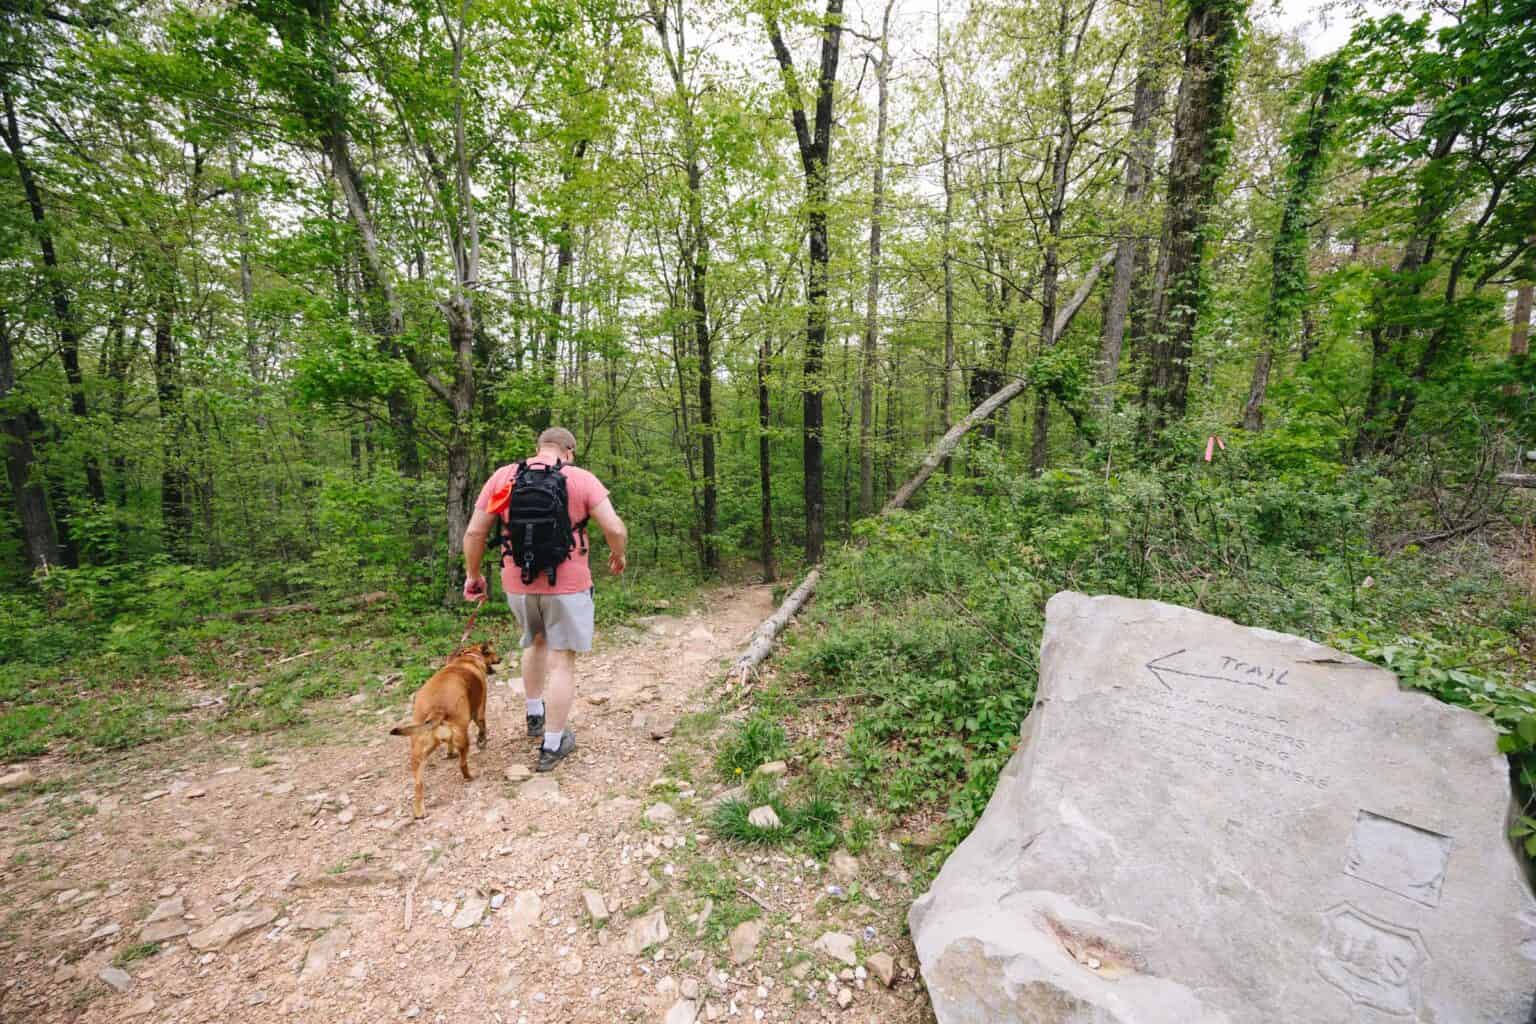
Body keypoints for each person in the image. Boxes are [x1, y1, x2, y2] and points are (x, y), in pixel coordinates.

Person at [462, 427, 627, 771]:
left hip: (518, 582)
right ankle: (552, 744)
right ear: (570, 451)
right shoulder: (580, 478)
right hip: (567, 585)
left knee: (534, 641)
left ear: (538, 448)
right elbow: (614, 528)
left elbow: (475, 531)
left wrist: (473, 575)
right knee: (562, 659)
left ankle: (534, 714)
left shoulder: (505, 477)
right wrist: (618, 554)